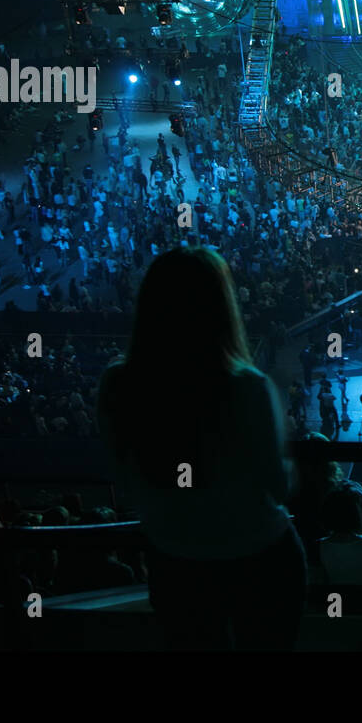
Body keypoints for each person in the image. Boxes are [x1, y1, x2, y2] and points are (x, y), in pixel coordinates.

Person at [97, 247, 305, 650]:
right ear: (222, 306)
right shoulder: (247, 386)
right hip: (260, 557)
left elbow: (123, 478)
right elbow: (277, 487)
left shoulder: (118, 384)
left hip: (174, 562)